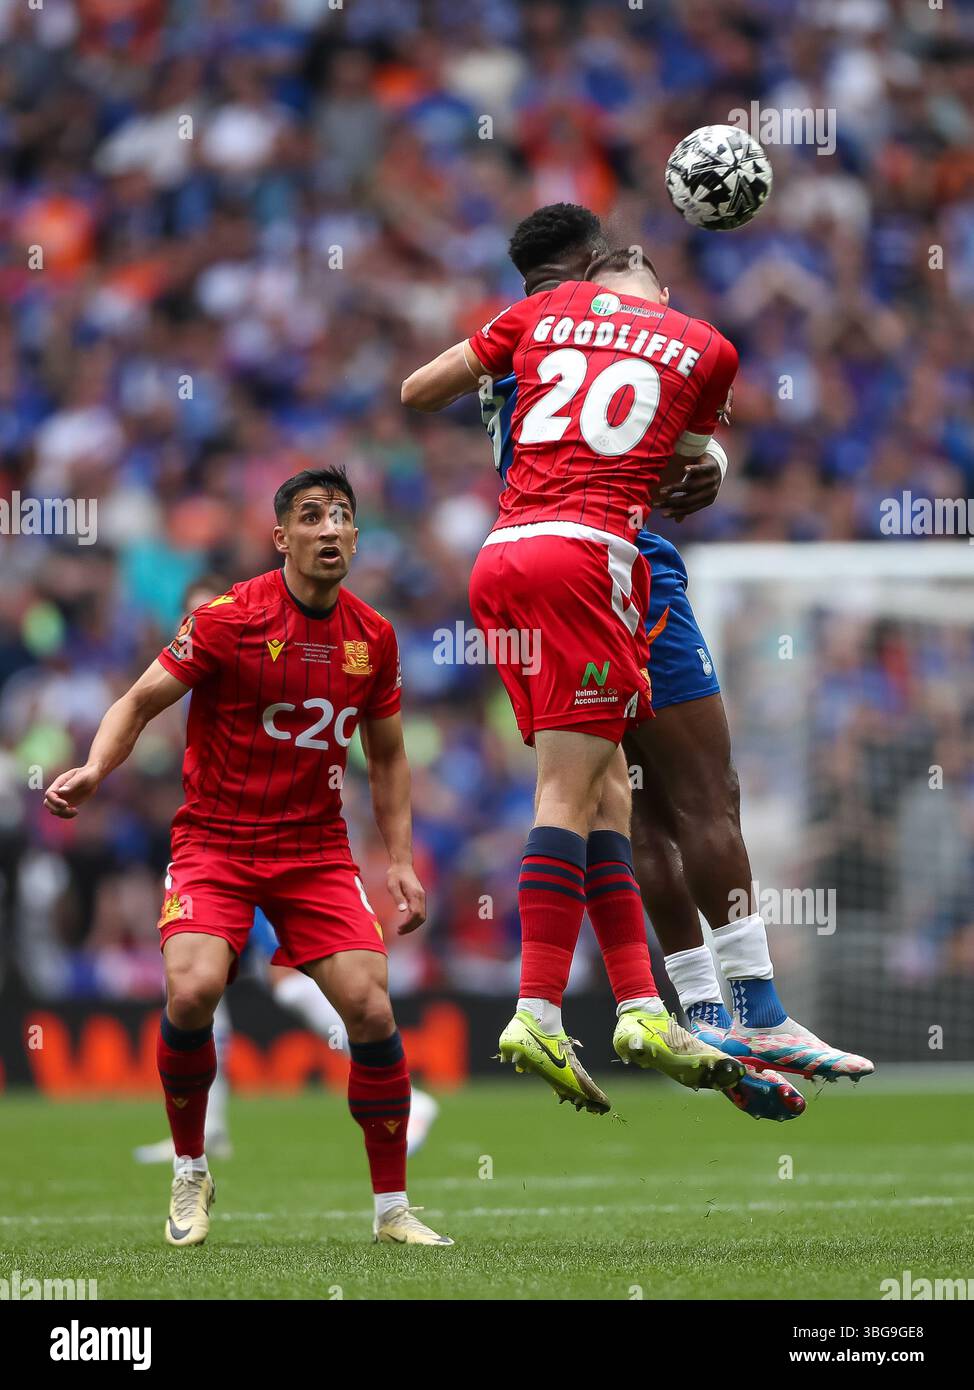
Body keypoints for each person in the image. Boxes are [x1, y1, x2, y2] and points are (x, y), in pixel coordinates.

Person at [494, 206, 872, 1098]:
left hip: (528, 563)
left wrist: (708, 465)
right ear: (594, 269)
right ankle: (757, 1008)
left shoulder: (520, 338)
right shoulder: (605, 331)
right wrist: (714, 465)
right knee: (702, 790)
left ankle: (692, 1013)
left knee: (620, 800)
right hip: (617, 562)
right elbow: (670, 463)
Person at [45, 467, 452, 1247]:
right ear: (282, 538)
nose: (330, 528)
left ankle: (392, 1209)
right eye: (311, 516)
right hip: (216, 843)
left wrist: (398, 859)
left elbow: (391, 756)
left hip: (314, 851)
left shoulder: (374, 637)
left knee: (370, 1008)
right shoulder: (230, 617)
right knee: (194, 991)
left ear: (356, 537)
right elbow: (138, 701)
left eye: (342, 516)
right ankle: (192, 1171)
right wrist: (97, 769)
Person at [402, 244, 749, 1114]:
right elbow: (686, 469)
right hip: (588, 558)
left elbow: (414, 391)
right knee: (569, 792)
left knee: (605, 795)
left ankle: (638, 1004)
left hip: (502, 561)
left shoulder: (530, 323)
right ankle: (538, 1007)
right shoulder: (687, 341)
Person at [133, 577, 440, 1165]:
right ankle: (210, 1129)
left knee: (278, 980)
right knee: (199, 989)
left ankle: (407, 1095)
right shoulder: (204, 657)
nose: (203, 619)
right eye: (191, 612)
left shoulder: (297, 641)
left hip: (281, 849)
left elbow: (379, 751)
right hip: (216, 840)